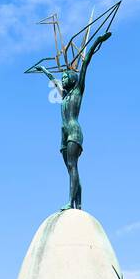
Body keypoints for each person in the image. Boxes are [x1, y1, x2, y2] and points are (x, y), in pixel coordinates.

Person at [31, 31, 111, 210]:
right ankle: (78, 204)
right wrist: (44, 70)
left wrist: (98, 41)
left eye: (67, 76)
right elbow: (53, 80)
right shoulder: (64, 96)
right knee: (71, 170)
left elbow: (86, 63)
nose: (64, 78)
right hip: (63, 134)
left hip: (74, 131)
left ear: (73, 79)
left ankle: (71, 202)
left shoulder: (77, 91)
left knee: (72, 166)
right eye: (63, 77)